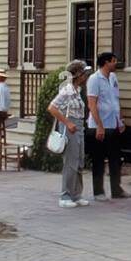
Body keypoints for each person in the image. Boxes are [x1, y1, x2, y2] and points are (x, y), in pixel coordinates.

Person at [86, 51, 131, 201]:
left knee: (115, 159)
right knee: (98, 159)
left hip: (113, 124)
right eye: (113, 61)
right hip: (99, 126)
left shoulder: (113, 78)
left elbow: (116, 100)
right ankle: (98, 192)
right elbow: (92, 104)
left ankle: (116, 189)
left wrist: (121, 120)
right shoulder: (94, 79)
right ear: (106, 63)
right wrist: (99, 126)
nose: (115, 64)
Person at [48, 60, 90, 208]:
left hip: (79, 127)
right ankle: (65, 196)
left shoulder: (78, 90)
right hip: (70, 127)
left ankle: (76, 194)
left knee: (79, 161)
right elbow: (52, 108)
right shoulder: (67, 90)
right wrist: (67, 123)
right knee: (70, 163)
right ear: (78, 74)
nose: (85, 75)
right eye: (83, 72)